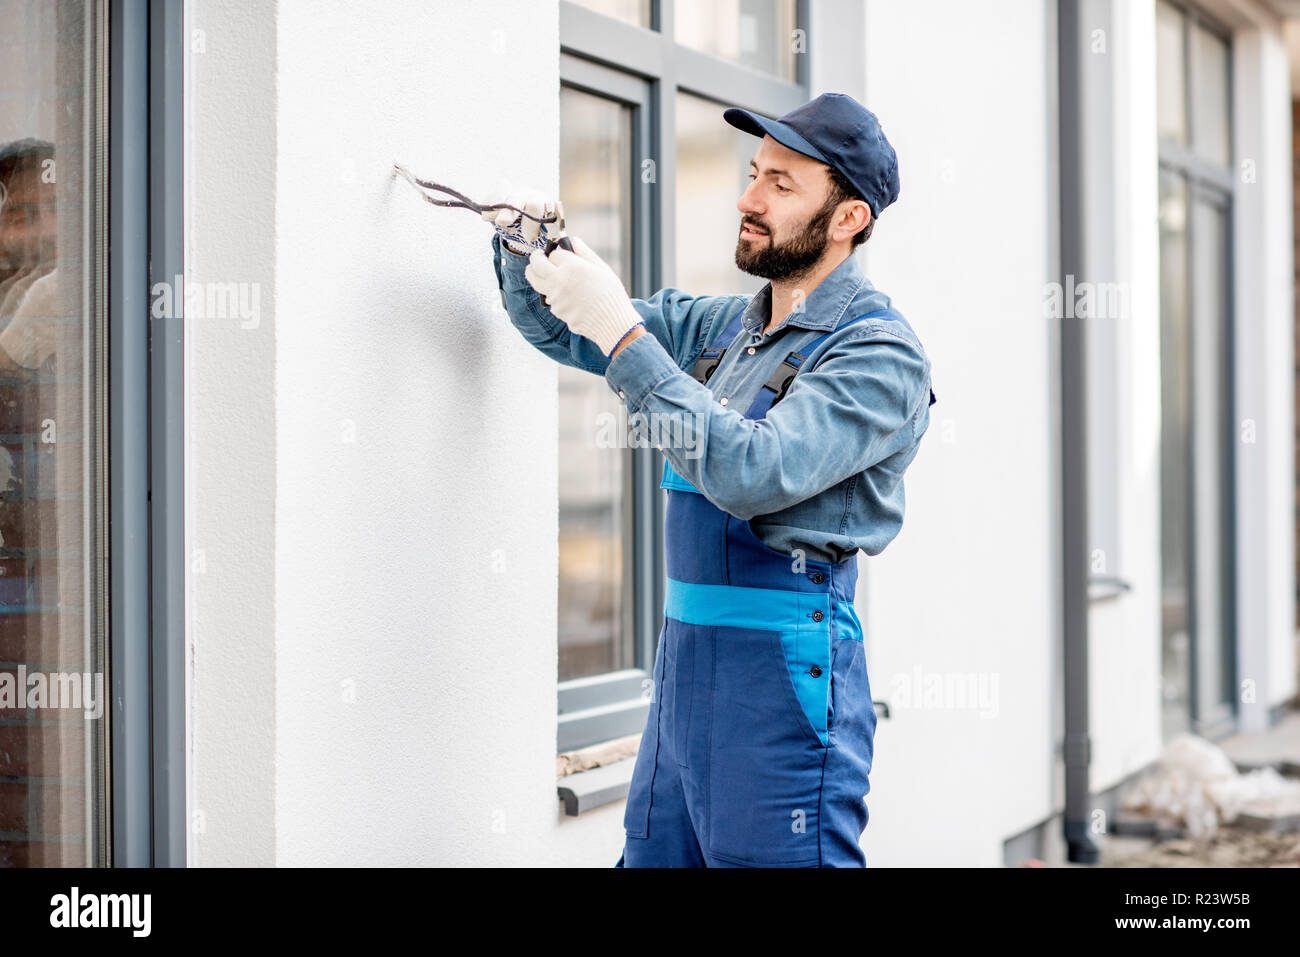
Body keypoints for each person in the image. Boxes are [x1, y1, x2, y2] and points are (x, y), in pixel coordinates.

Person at [487, 93, 935, 867]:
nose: (748, 198)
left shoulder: (878, 355)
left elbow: (752, 471)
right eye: (755, 173)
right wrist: (527, 251)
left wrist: (624, 333)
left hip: (783, 686)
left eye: (782, 185)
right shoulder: (723, 328)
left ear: (848, 219)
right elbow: (563, 328)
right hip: (683, 676)